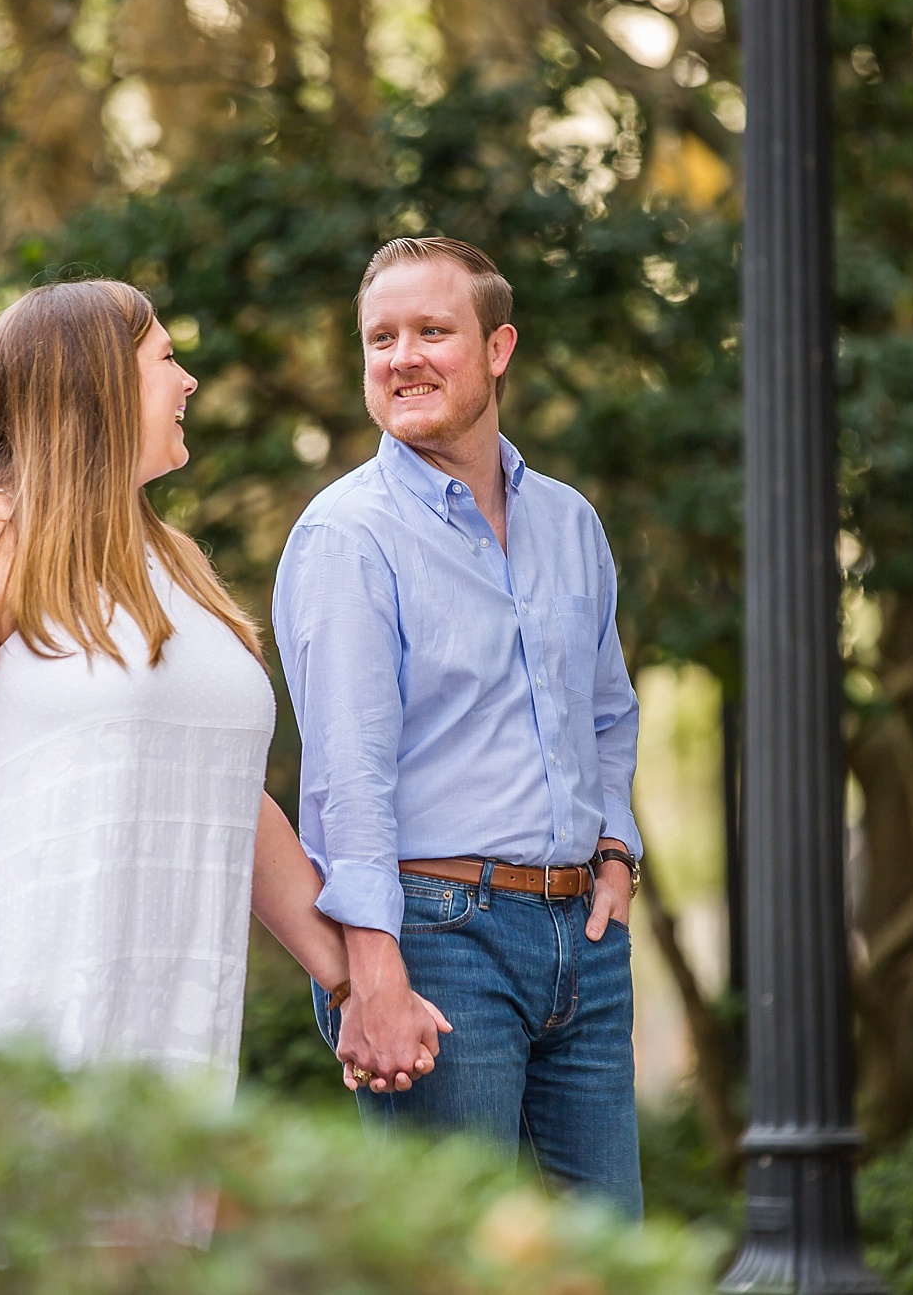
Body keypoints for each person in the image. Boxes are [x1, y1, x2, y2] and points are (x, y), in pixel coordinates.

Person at [0, 280, 447, 1265]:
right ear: (92, 384)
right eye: (165, 360)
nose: (189, 380)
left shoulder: (171, 561)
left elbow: (228, 796)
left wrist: (350, 979)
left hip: (164, 1047)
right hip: (16, 1029)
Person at [273, 237, 646, 1217]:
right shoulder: (348, 536)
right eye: (379, 338)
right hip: (436, 937)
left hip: (585, 941)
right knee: (451, 1261)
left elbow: (606, 710)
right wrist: (373, 971)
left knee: (609, 1265)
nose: (401, 358)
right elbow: (345, 779)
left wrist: (615, 843)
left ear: (498, 348)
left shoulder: (569, 523)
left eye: (431, 332)